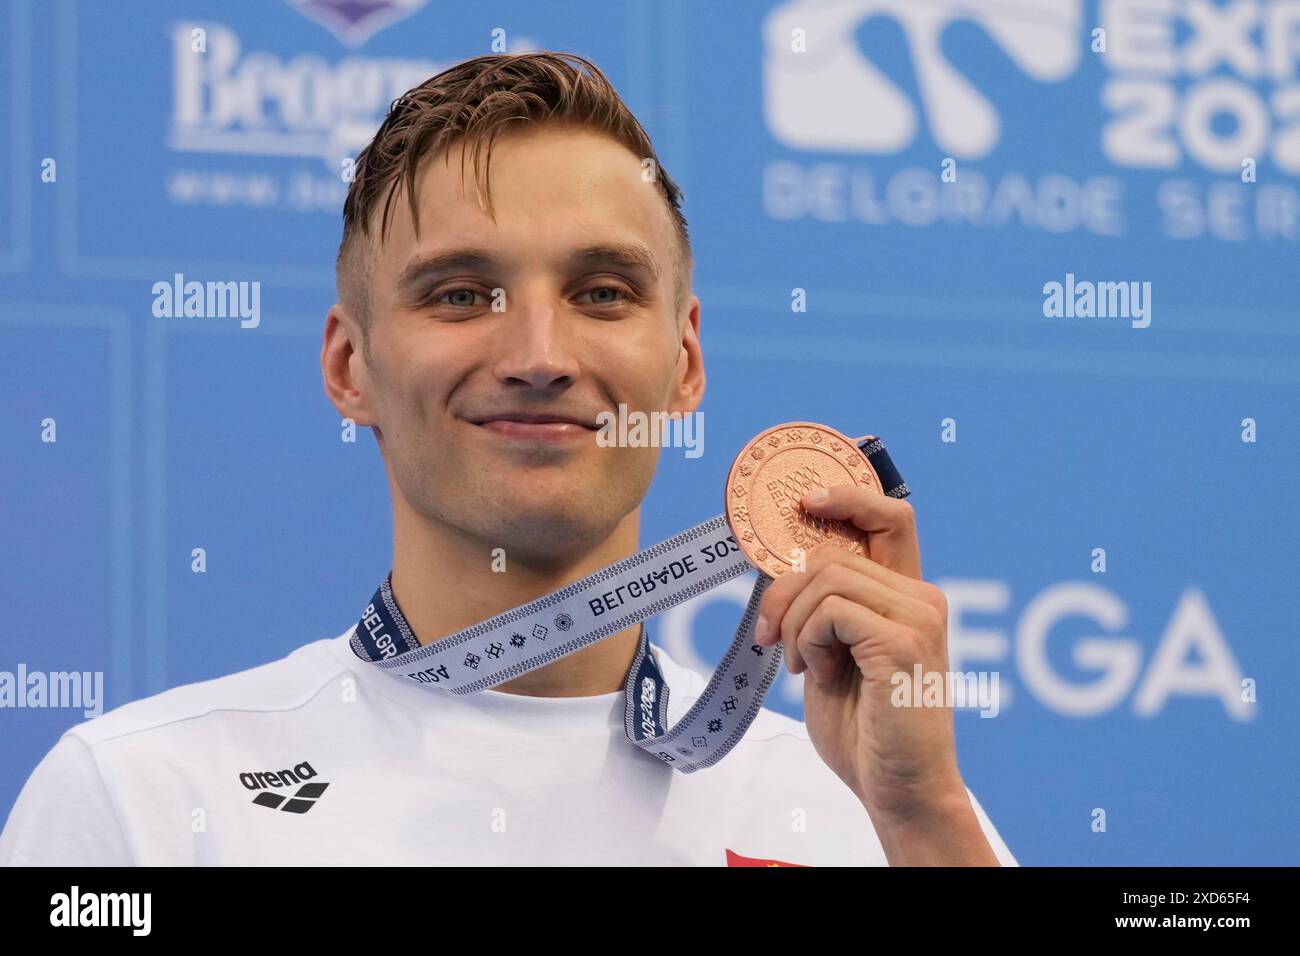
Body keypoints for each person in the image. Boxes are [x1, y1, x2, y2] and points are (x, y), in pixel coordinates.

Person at [0, 52, 1016, 866]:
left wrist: (923, 817)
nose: (538, 356)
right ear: (350, 367)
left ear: (686, 361)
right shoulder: (143, 796)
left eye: (603, 292)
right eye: (459, 293)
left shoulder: (876, 815)